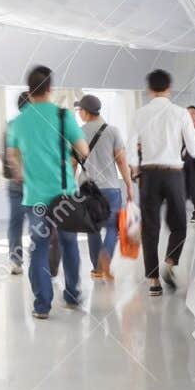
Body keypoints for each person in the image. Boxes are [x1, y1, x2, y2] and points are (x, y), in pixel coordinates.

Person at [5, 65, 88, 320]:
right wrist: (66, 162)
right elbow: (83, 150)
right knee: (68, 243)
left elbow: (13, 159)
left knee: (39, 247)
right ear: (50, 88)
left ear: (29, 91)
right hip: (64, 194)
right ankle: (72, 295)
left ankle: (42, 305)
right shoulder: (64, 117)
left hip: (34, 198)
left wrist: (26, 170)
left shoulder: (17, 123)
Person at [132, 69, 195, 297]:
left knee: (150, 228)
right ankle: (170, 262)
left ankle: (153, 282)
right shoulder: (180, 113)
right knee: (180, 223)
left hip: (148, 175)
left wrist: (135, 170)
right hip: (173, 174)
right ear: (169, 88)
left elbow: (131, 147)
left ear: (150, 89)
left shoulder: (139, 114)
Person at [75, 95, 131, 281]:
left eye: (79, 110)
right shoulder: (113, 131)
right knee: (113, 227)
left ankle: (97, 269)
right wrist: (129, 186)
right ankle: (106, 254)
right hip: (110, 188)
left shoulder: (77, 133)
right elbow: (122, 161)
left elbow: (72, 163)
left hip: (87, 189)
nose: (79, 113)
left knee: (93, 228)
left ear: (85, 112)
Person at [2, 90, 31, 274]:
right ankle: (40, 258)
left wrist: (15, 171)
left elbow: (4, 153)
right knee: (40, 222)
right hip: (34, 183)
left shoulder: (11, 125)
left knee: (15, 222)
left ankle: (16, 261)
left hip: (15, 181)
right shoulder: (36, 125)